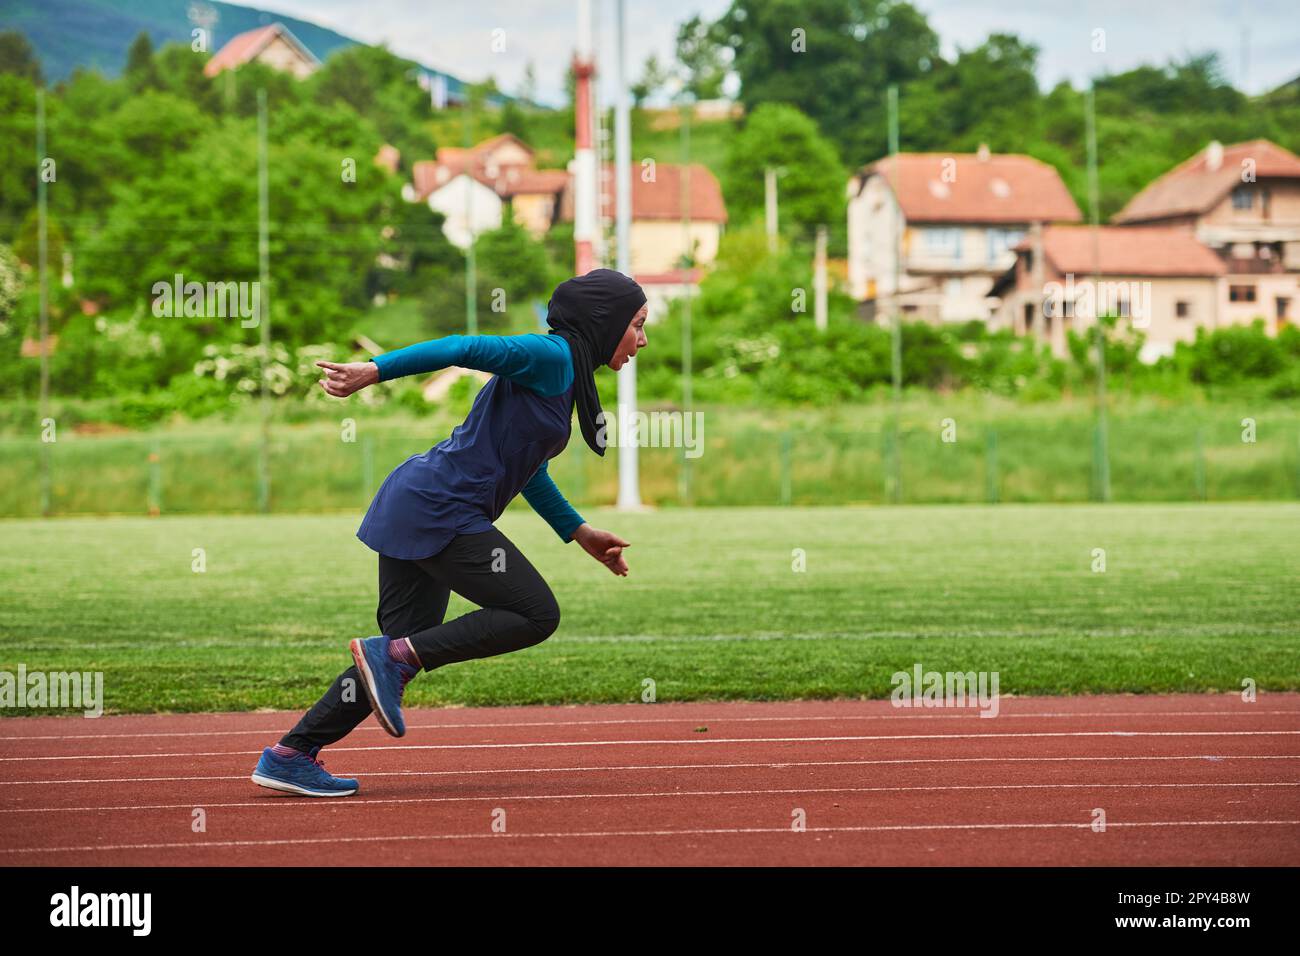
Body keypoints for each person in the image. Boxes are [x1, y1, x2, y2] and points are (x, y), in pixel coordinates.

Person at [250, 269, 648, 797]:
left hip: (417, 504)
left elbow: (527, 466)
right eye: (638, 325)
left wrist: (578, 531)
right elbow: (462, 345)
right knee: (534, 614)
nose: (642, 340)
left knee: (391, 657)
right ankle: (389, 661)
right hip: (440, 508)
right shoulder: (550, 356)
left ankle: (290, 754)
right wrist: (375, 370)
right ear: (606, 321)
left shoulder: (564, 373)